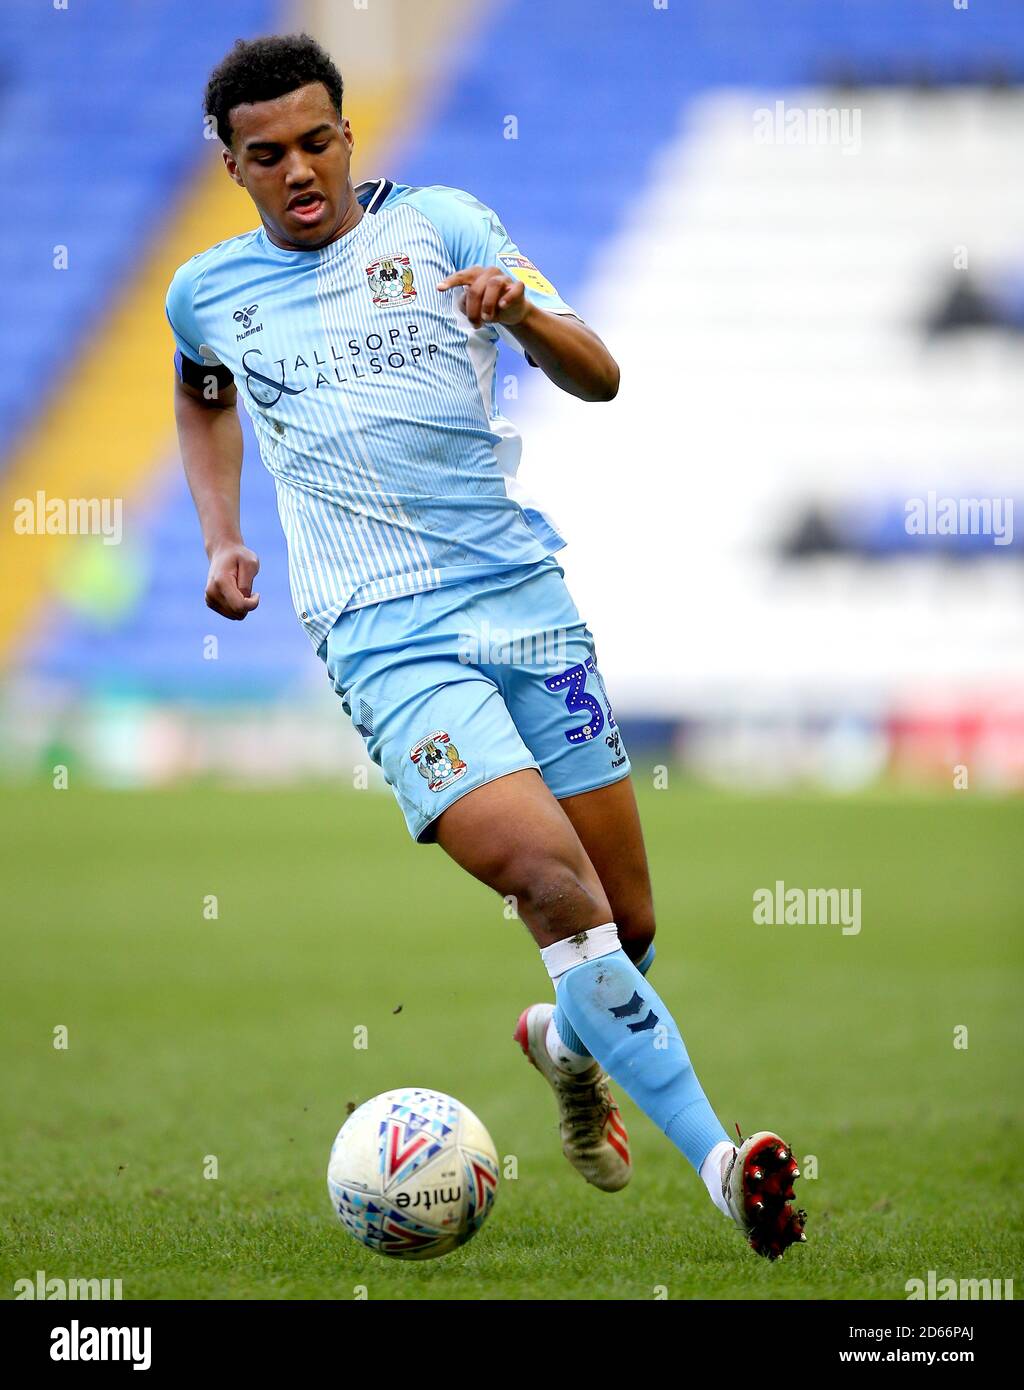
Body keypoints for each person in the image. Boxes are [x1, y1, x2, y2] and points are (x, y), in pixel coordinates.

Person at [167, 32, 805, 1259]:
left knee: (627, 924)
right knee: (551, 888)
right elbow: (201, 399)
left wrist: (521, 318)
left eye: (316, 141)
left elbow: (600, 373)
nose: (299, 171)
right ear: (231, 163)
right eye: (267, 156)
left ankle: (566, 1044)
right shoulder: (206, 292)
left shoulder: (449, 227)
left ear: (347, 131)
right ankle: (728, 1169)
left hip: (523, 603)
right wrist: (218, 537)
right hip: (383, 637)